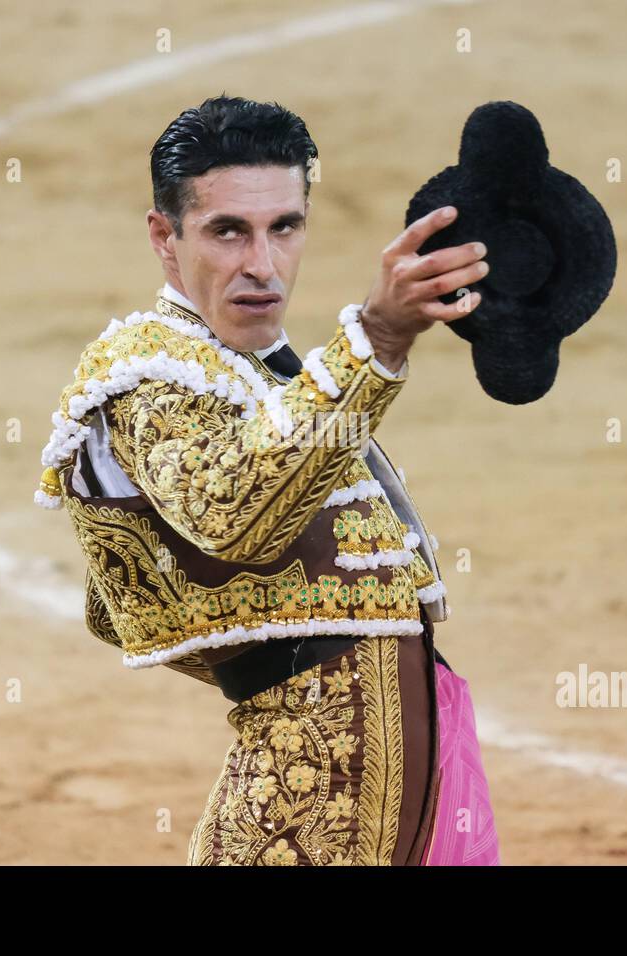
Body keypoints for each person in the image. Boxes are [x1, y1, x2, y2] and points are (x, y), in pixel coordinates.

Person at [35, 95, 500, 865]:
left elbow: (124, 604)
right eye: (228, 231)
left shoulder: (266, 378)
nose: (262, 263)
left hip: (394, 799)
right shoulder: (144, 375)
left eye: (285, 226)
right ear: (165, 237)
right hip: (292, 811)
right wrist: (377, 339)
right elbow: (235, 514)